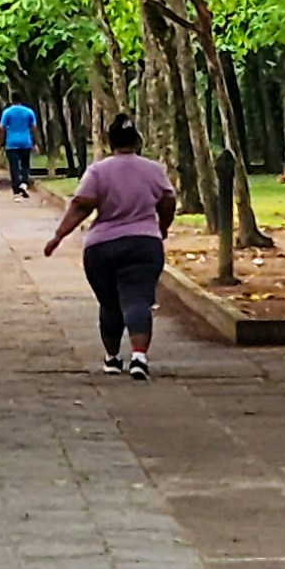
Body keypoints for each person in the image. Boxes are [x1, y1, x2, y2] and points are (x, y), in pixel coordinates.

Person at [39, 115, 178, 376]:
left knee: (110, 303)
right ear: (138, 141)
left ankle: (112, 358)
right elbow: (168, 200)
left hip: (102, 248)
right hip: (144, 244)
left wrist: (58, 236)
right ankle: (139, 357)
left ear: (109, 142)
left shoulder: (98, 171)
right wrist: (162, 227)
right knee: (137, 298)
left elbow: (81, 205)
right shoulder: (154, 170)